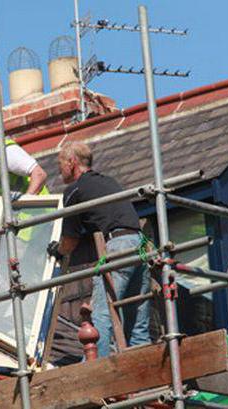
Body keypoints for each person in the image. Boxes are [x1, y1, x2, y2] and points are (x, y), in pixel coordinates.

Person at [48, 141, 150, 357]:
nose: (59, 170)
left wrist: (58, 251)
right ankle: (143, 366)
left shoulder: (75, 190)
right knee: (137, 318)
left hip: (117, 246)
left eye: (61, 164)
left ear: (72, 162)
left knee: (103, 314)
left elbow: (70, 241)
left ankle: (97, 369)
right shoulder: (107, 182)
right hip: (140, 245)